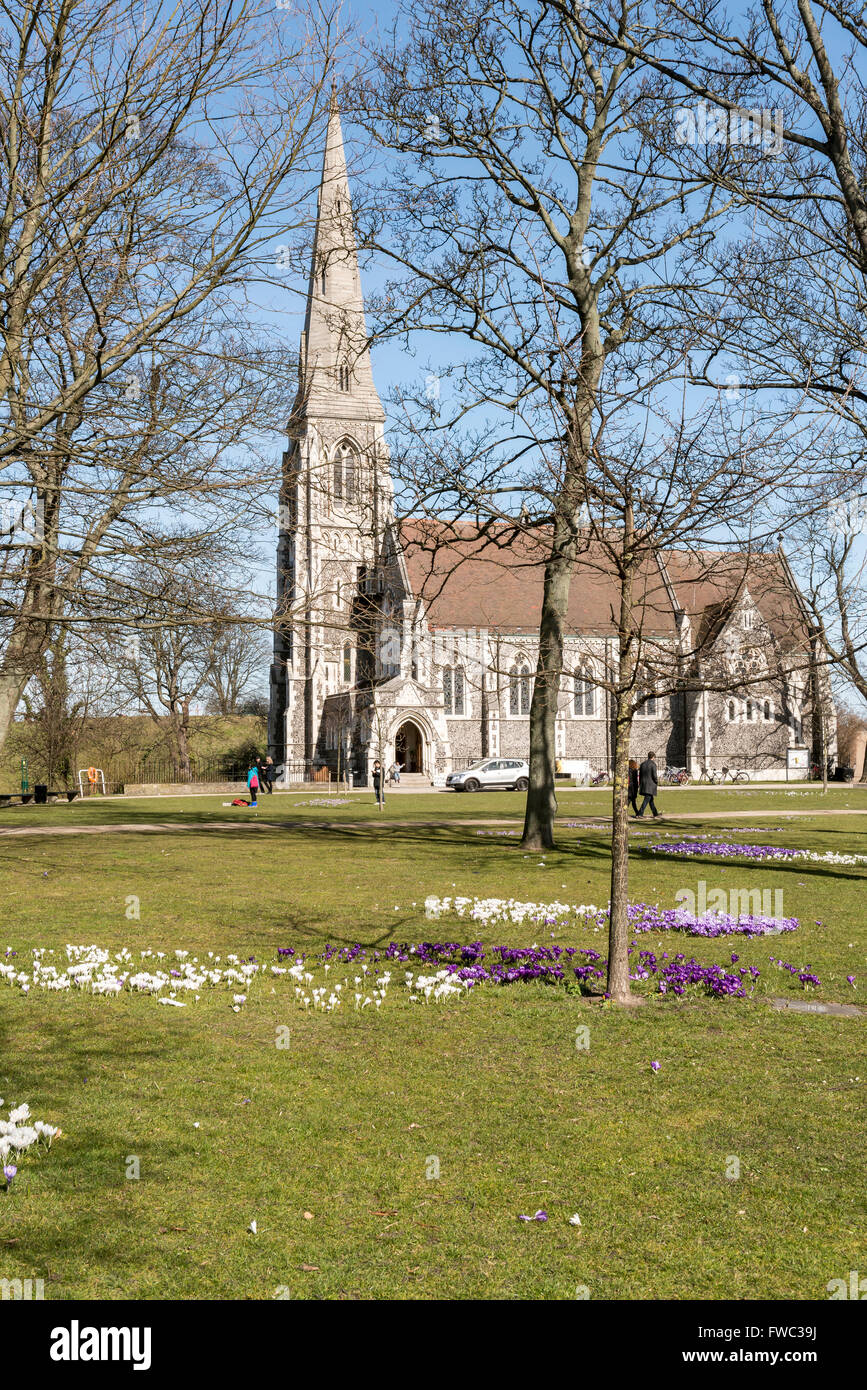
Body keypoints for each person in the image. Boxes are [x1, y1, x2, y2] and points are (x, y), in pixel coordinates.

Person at [636, 751, 660, 818]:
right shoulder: (653, 764)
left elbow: (640, 775)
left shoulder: (643, 764)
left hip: (644, 784)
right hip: (650, 785)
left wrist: (640, 783)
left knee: (650, 799)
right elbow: (654, 776)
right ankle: (640, 814)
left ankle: (655, 813)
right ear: (653, 757)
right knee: (647, 799)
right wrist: (656, 781)